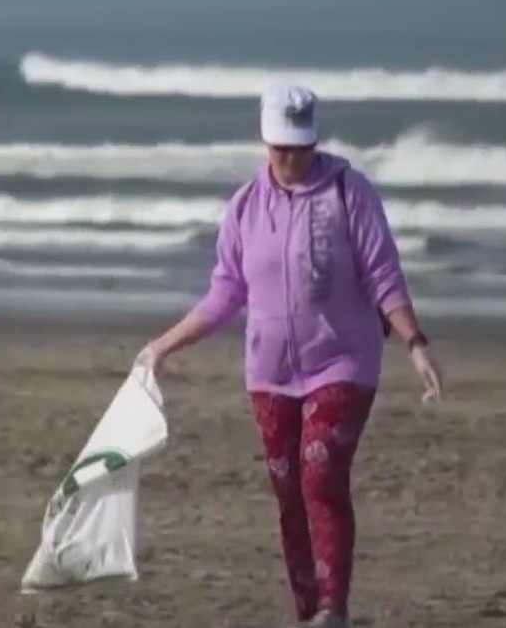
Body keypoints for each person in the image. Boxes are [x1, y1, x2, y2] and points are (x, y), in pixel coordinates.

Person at [137, 85, 444, 628]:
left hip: (343, 362)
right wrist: (163, 345)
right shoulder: (245, 207)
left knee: (320, 477)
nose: (291, 158)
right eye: (281, 148)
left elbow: (383, 275)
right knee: (288, 494)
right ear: (265, 141)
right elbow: (224, 294)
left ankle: (332, 610)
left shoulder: (349, 192)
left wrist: (415, 343)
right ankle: (308, 612)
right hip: (270, 375)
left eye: (301, 148)